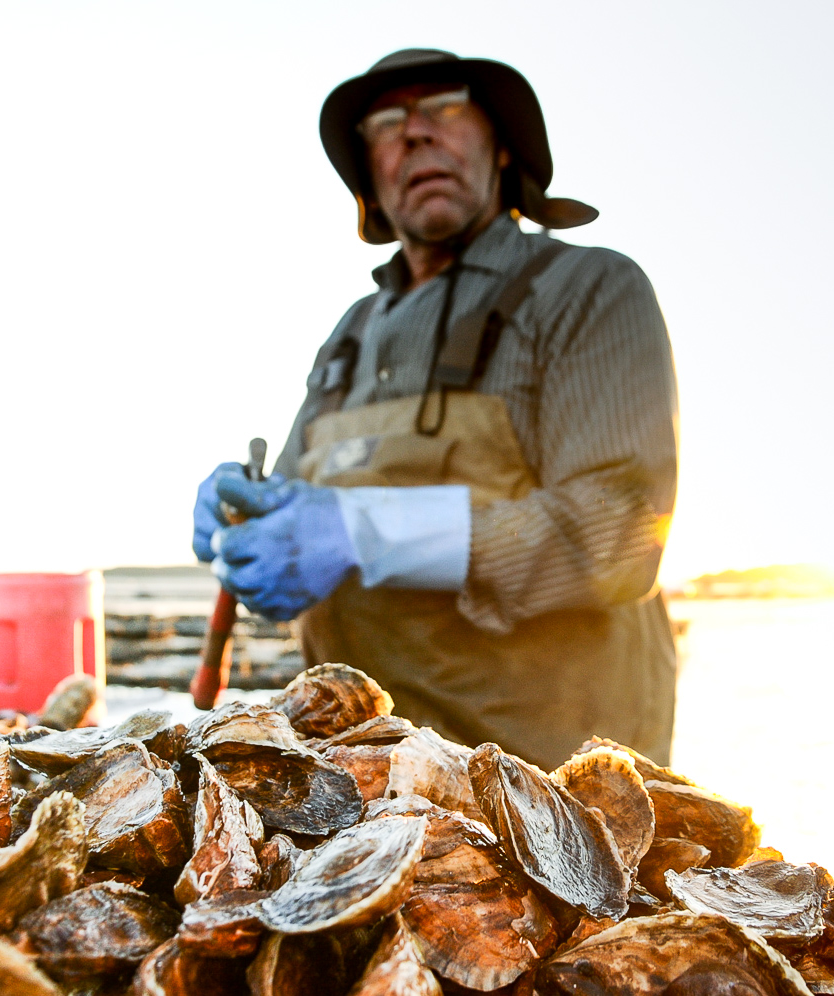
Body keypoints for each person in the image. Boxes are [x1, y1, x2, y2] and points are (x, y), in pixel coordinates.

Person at [193, 49, 679, 770]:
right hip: (364, 778)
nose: (416, 134)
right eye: (387, 122)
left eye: (446, 107)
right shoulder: (351, 333)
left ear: (503, 146)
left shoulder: (589, 287)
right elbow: (300, 542)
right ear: (371, 181)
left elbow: (616, 536)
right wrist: (248, 525)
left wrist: (359, 531)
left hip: (553, 788)